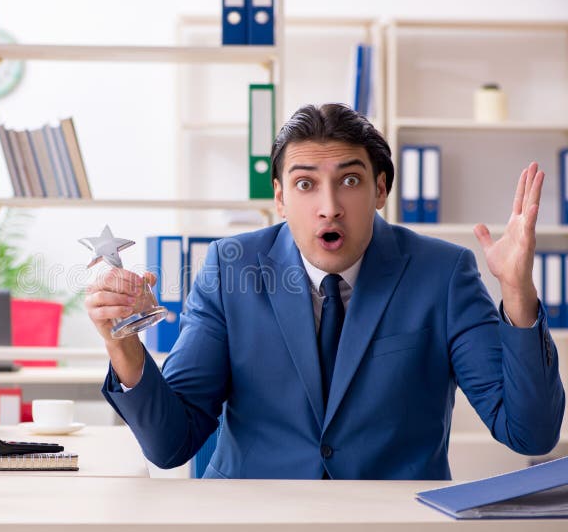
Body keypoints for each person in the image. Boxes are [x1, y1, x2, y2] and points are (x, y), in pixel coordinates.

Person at [85, 103, 565, 480]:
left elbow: (530, 434)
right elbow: (172, 445)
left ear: (380, 190)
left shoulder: (442, 273)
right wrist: (122, 345)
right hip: (251, 520)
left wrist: (518, 293)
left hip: (390, 522)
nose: (329, 207)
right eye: (306, 184)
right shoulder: (230, 269)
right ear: (279, 197)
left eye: (349, 181)